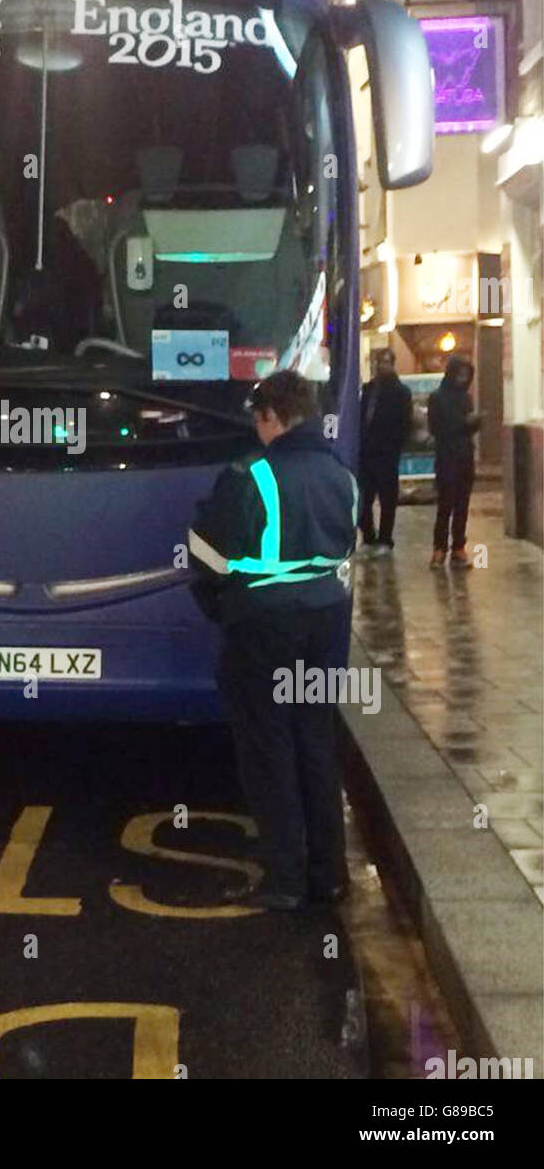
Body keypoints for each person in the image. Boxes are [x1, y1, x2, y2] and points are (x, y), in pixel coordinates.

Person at [187, 370, 358, 911]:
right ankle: (329, 875)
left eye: (258, 419)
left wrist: (218, 603)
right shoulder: (341, 474)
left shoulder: (250, 475)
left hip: (263, 625)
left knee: (268, 749)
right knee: (315, 741)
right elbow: (347, 542)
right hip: (326, 620)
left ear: (271, 417)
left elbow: (208, 554)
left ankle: (285, 880)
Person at [428, 356, 480, 568]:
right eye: (459, 375)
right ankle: (439, 548)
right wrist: (462, 423)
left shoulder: (466, 398)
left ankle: (459, 546)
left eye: (466, 376)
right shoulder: (438, 397)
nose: (462, 379)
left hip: (465, 457)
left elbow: (468, 429)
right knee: (446, 504)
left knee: (462, 505)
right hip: (446, 457)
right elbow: (436, 428)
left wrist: (475, 423)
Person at [358, 348, 412, 555]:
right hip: (366, 452)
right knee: (364, 499)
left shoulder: (401, 392)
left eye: (386, 362)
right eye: (379, 362)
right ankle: (369, 537)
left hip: (387, 454)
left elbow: (404, 424)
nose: (382, 366)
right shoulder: (369, 389)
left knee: (388, 499)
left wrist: (394, 446)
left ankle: (385, 540)